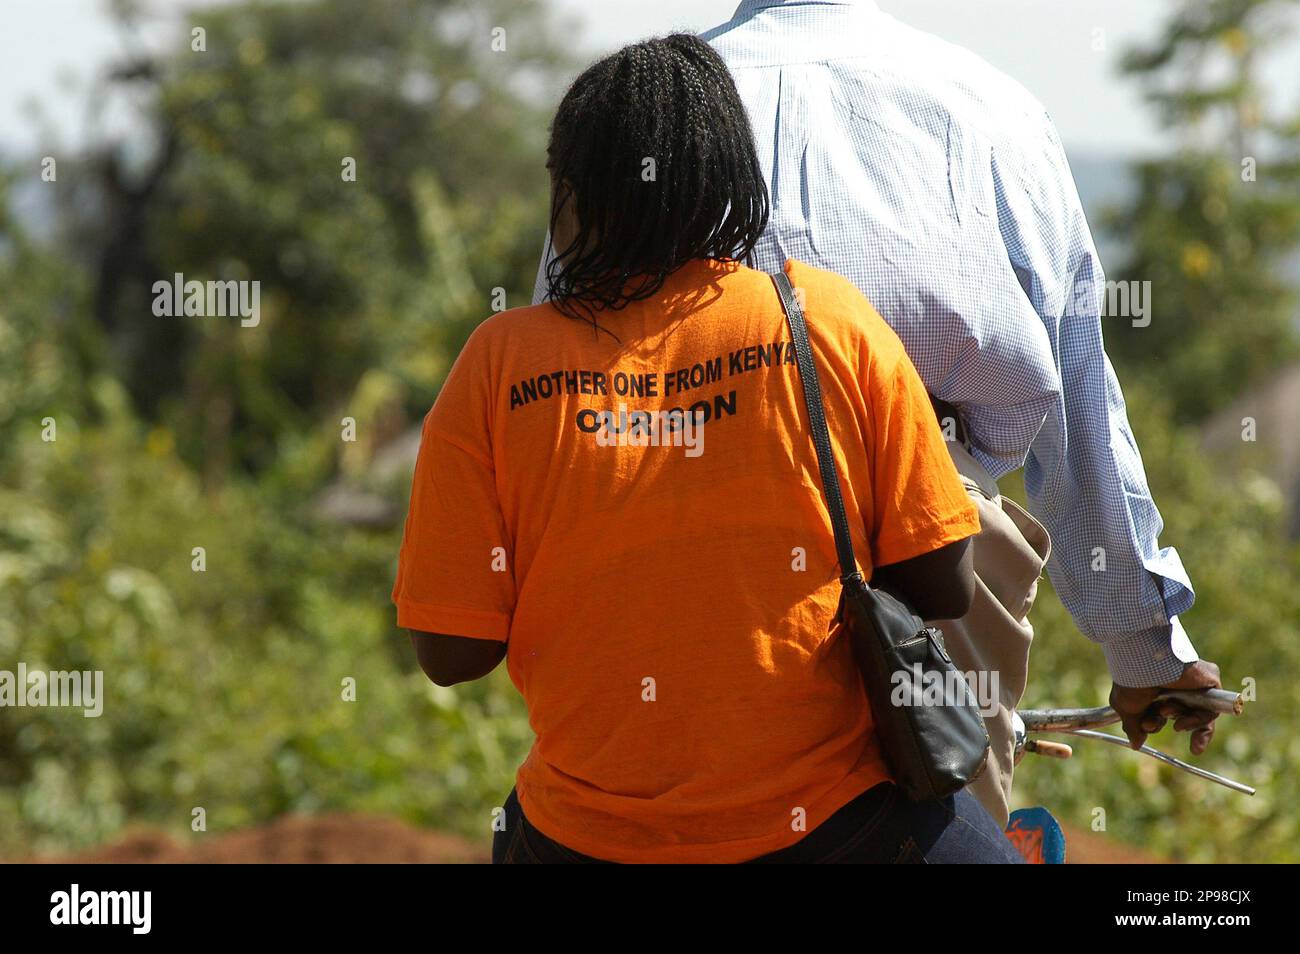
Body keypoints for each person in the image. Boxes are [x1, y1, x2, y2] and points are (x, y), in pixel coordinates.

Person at [533, 0, 1222, 828]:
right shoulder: (994, 108)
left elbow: (561, 363)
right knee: (938, 827)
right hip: (935, 528)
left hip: (662, 530)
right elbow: (1079, 411)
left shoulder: (634, 112)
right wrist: (1143, 646)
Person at [395, 33, 1022, 863]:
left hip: (581, 840)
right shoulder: (824, 320)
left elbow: (451, 652)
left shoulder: (499, 364)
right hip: (837, 827)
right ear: (725, 182)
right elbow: (942, 582)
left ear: (573, 196)